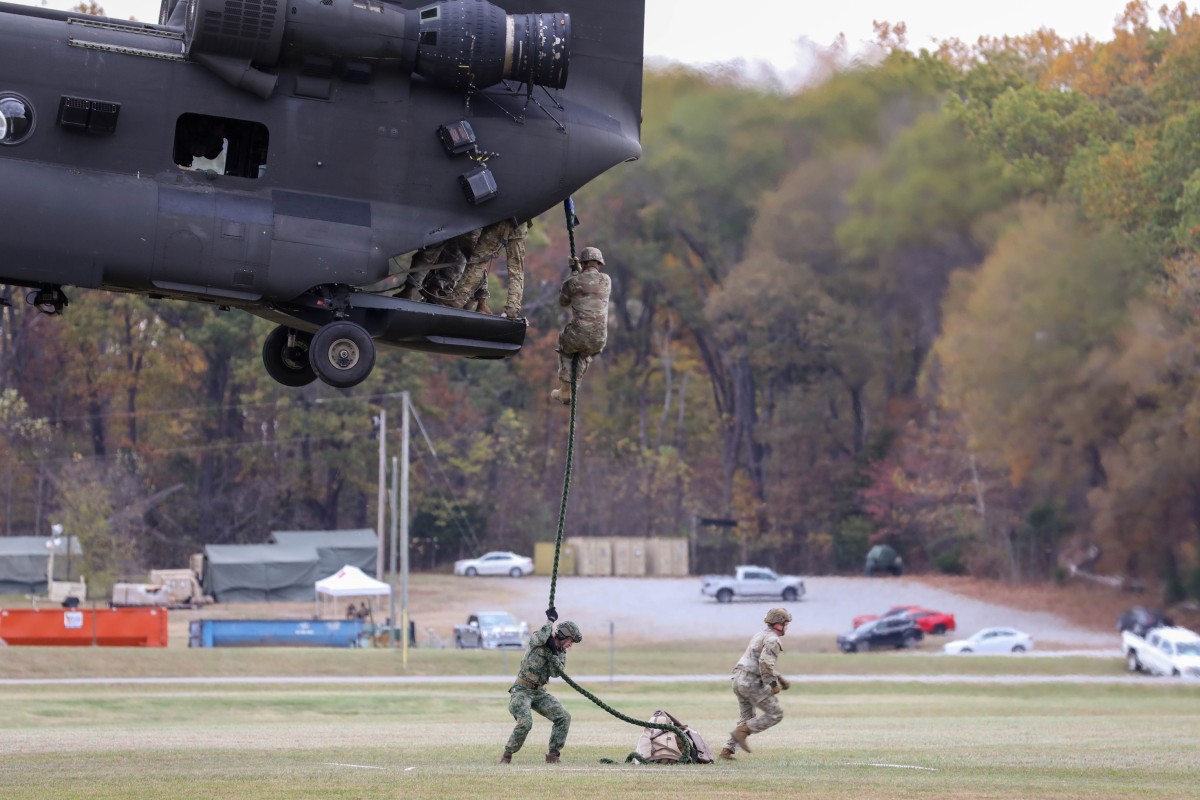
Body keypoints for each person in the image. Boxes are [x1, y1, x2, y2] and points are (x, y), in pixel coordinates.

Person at [500, 619, 583, 764]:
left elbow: (556, 673)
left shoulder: (561, 652)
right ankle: (507, 756)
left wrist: (555, 652)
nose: (570, 645)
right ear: (563, 635)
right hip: (521, 690)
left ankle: (553, 756)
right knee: (525, 723)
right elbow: (542, 636)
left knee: (564, 717)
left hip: (539, 693)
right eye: (570, 640)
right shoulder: (539, 640)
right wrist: (550, 621)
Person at [720, 607, 792, 760]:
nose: (787, 626)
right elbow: (765, 663)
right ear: (778, 624)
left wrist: (779, 677)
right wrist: (773, 684)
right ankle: (742, 732)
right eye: (786, 623)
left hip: (738, 679)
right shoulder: (773, 640)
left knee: (747, 717)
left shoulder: (760, 635)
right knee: (776, 713)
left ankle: (727, 751)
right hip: (751, 682)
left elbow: (755, 661)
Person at [551, 246, 610, 405]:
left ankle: (564, 389)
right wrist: (578, 272)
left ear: (583, 263)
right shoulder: (606, 281)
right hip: (599, 340)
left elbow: (564, 301)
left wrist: (574, 273)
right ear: (599, 264)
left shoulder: (573, 282)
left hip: (578, 335)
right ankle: (572, 388)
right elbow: (588, 284)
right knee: (584, 354)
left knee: (565, 343)